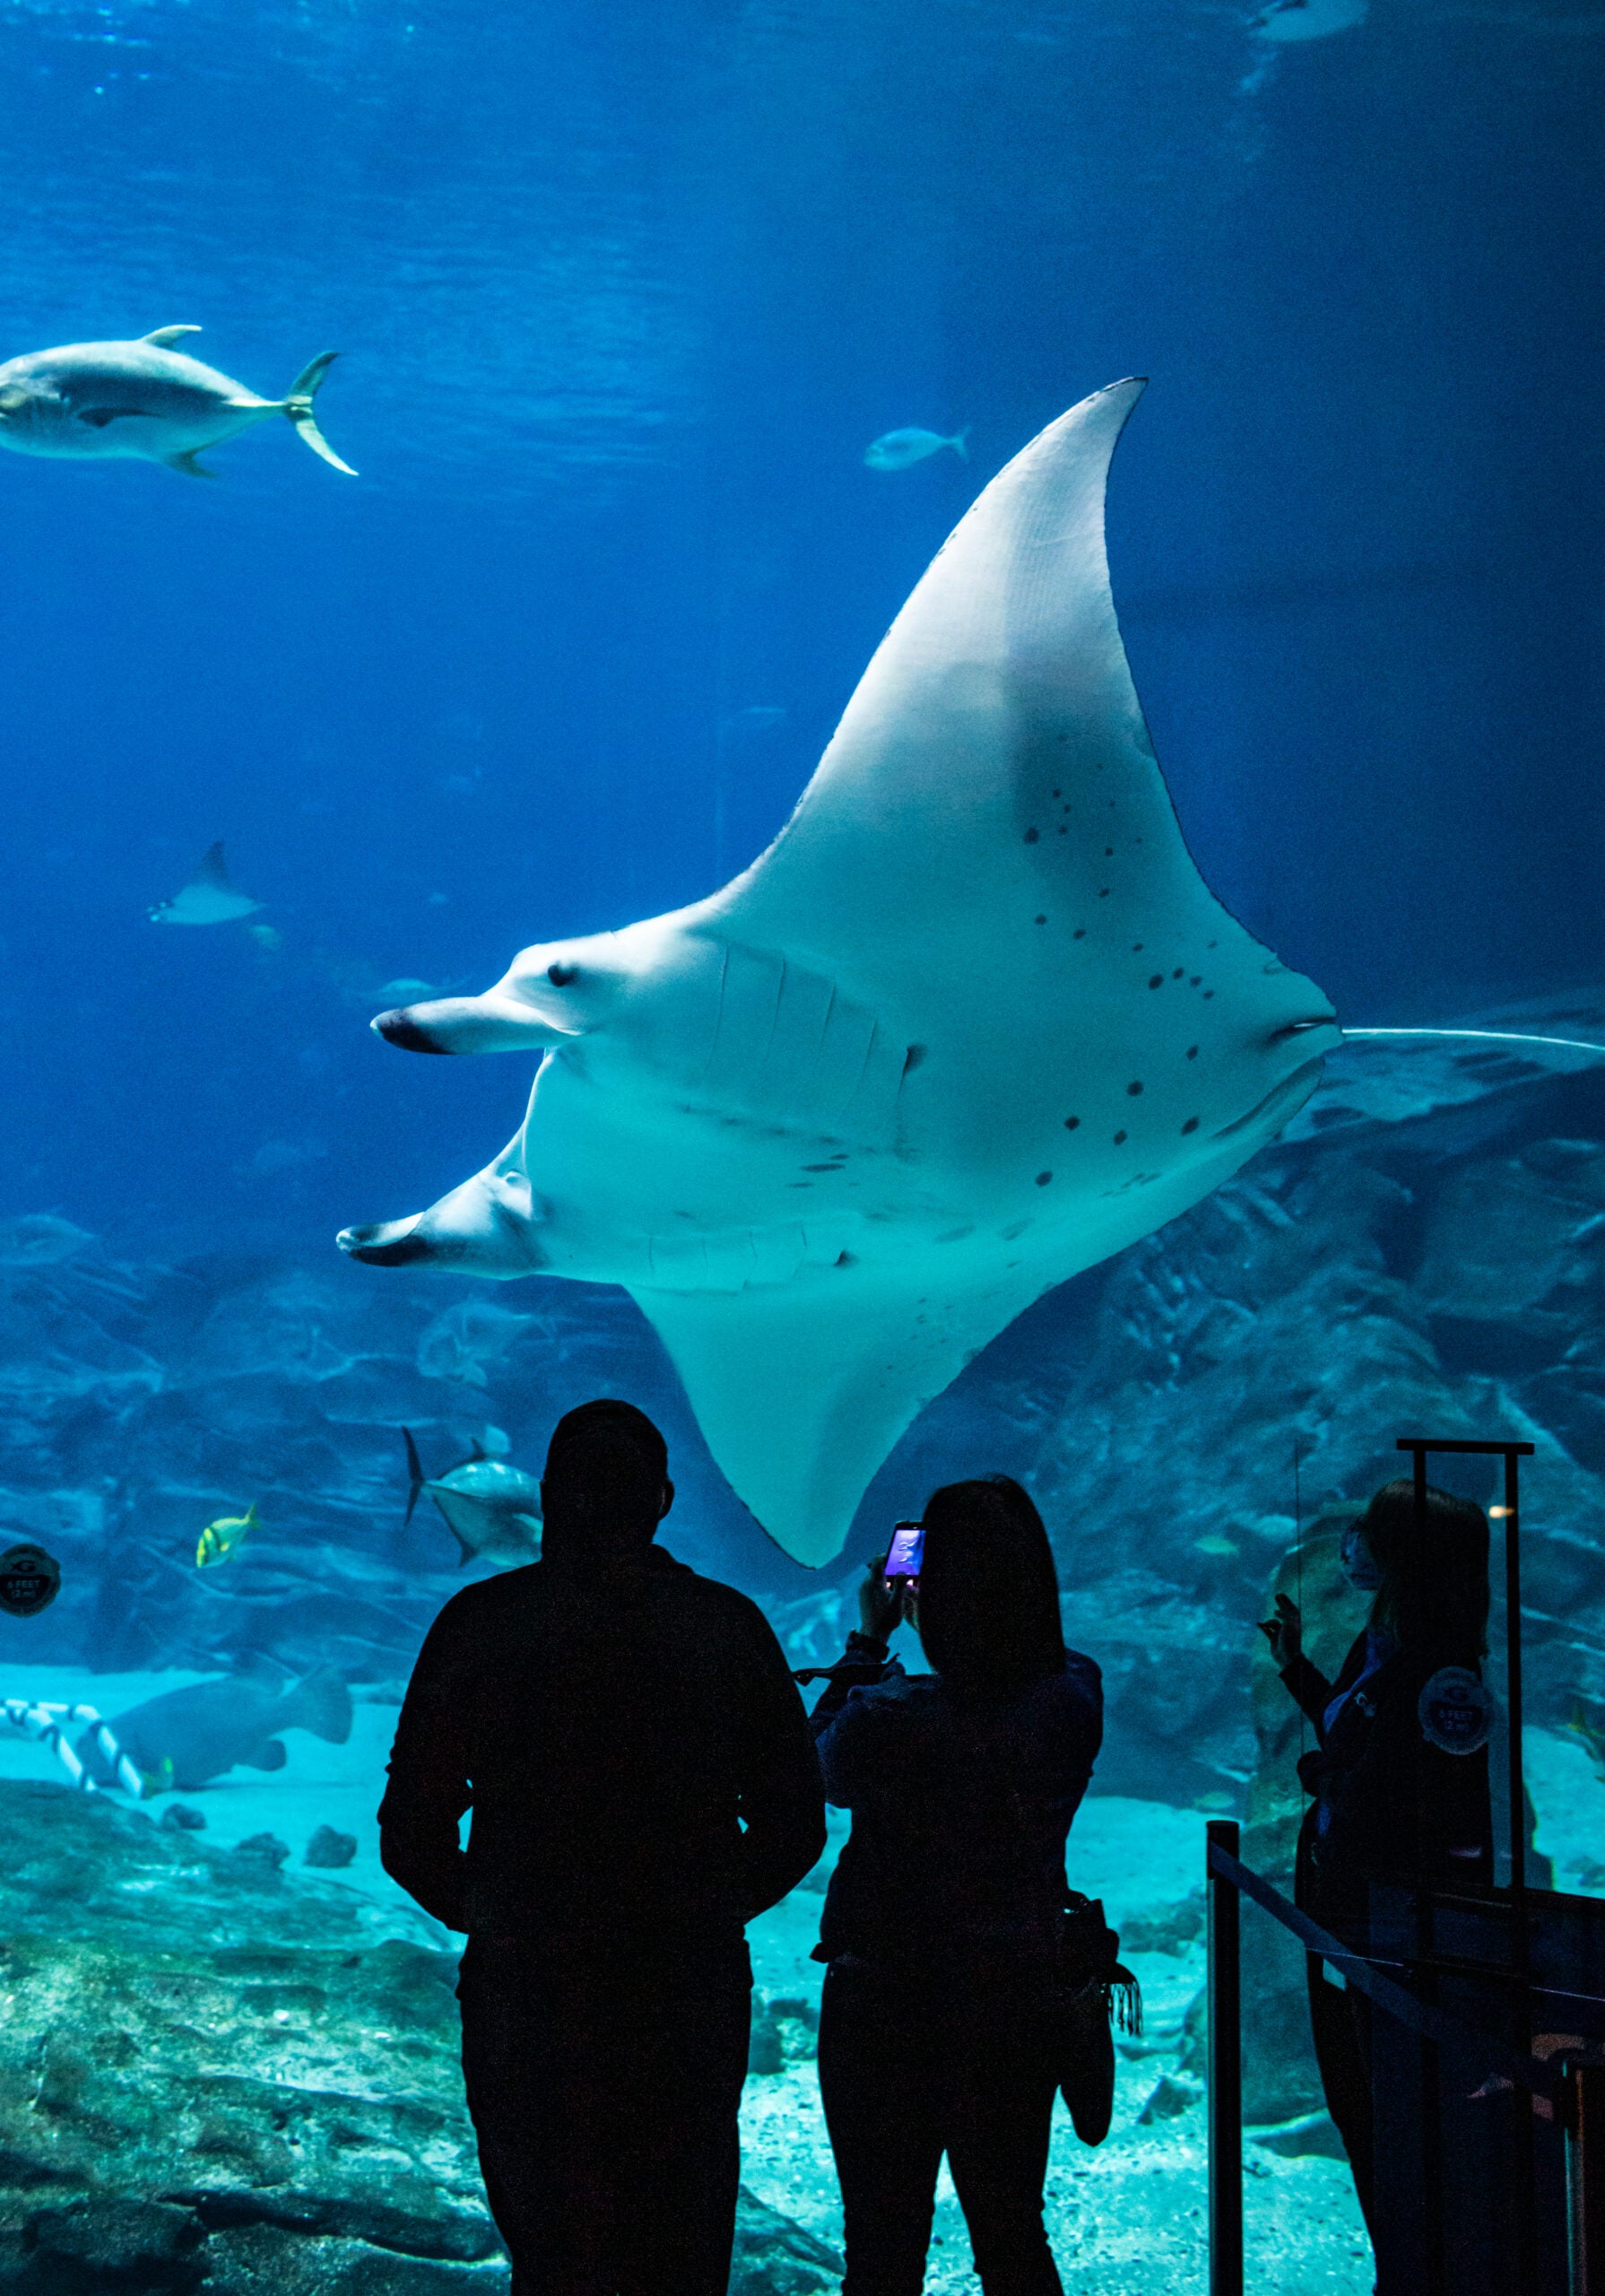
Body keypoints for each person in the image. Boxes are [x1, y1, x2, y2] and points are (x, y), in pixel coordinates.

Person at [378, 1398, 826, 2296]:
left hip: (528, 1987)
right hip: (683, 1989)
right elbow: (794, 1828)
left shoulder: (479, 1623)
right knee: (679, 2236)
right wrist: (693, 1914)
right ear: (661, 1499)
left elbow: (409, 1834)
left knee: (550, 2250)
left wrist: (506, 1920)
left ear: (546, 1497)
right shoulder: (725, 1625)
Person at [807, 1475, 1103, 2296]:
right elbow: (1041, 1655)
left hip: (886, 2007)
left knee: (880, 2243)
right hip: (1016, 1997)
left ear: (926, 1594)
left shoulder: (889, 1717)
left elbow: (816, 1773)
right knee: (1013, 2234)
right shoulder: (1075, 1694)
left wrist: (869, 1642)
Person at [1259, 1477, 1494, 2240]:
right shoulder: (1384, 1637)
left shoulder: (1440, 1661)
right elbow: (1357, 1729)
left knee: (1389, 2103)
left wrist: (1320, 1776)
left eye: (1368, 1530)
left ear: (1406, 1553)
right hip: (1348, 1910)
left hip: (1389, 1924)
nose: (1351, 1544)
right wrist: (1296, 1666)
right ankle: (1398, 2257)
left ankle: (1413, 2263)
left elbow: (1384, 1783)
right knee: (1357, 2092)